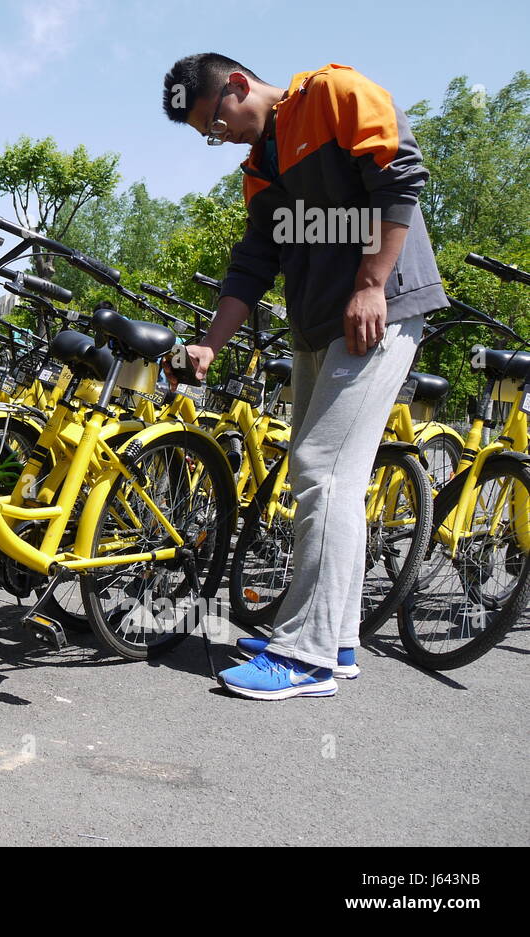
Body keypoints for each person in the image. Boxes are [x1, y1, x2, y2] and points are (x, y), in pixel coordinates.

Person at [161, 53, 447, 699]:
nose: (218, 137)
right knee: (320, 474)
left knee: (325, 468)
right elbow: (253, 262)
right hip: (320, 327)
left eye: (215, 122)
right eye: (207, 133)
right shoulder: (261, 167)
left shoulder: (332, 94)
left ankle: (307, 656)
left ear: (237, 85)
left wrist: (372, 283)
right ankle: (336, 638)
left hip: (381, 310)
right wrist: (208, 345)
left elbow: (401, 170)